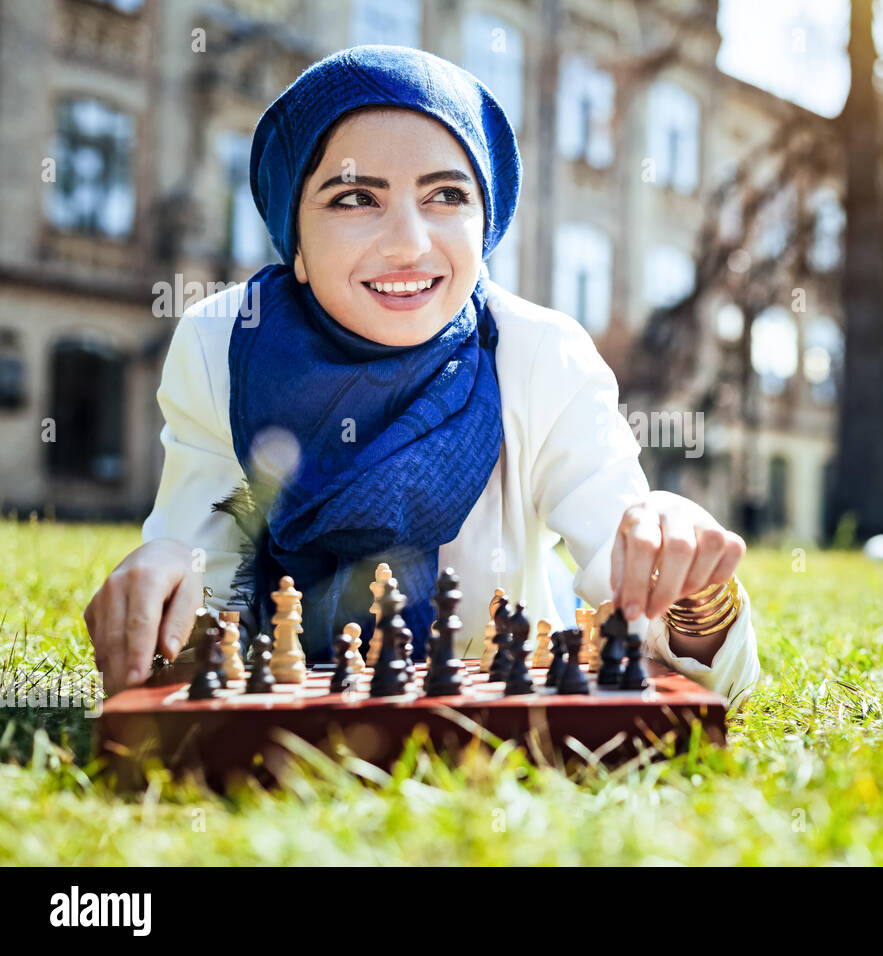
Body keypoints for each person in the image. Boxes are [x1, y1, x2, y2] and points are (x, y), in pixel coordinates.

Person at [83, 46, 759, 705]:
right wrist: (169, 587)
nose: (408, 242)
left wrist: (686, 583)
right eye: (353, 198)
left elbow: (665, 637)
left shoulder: (543, 355)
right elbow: (210, 585)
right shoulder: (220, 344)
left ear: (485, 221)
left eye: (445, 194)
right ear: (295, 242)